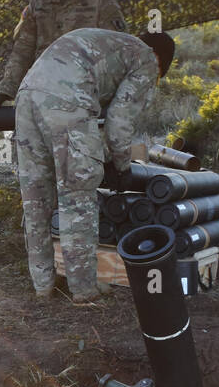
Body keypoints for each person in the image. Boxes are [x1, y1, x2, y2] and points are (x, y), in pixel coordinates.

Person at [14, 29, 175, 304]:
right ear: (161, 60)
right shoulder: (146, 59)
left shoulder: (111, 45)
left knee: (36, 200)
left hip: (26, 97)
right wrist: (123, 166)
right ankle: (83, 288)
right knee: (77, 199)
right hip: (67, 102)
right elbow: (119, 122)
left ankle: (42, 286)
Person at [0, 0, 127, 112]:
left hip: (86, 90)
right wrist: (7, 88)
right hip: (45, 89)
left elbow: (118, 47)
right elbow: (23, 50)